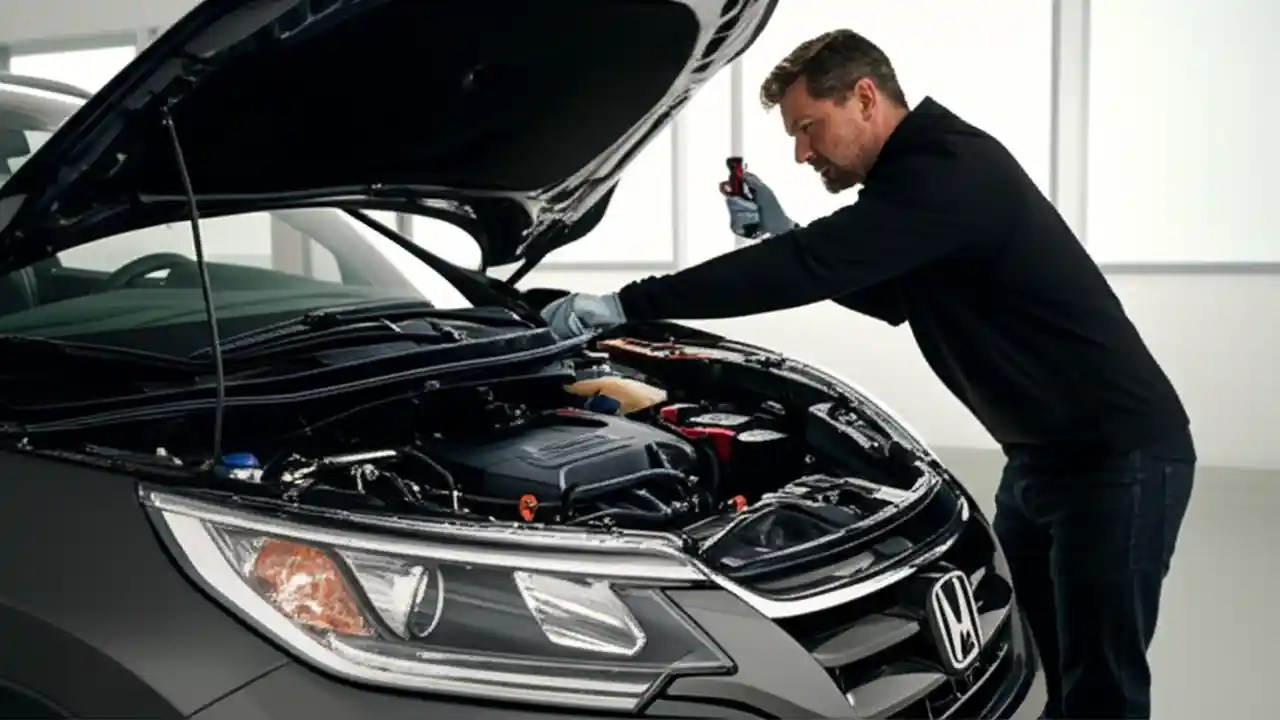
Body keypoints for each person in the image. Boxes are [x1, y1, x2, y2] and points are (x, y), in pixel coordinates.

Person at [539, 28, 1196, 719]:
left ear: (863, 97)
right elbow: (885, 290)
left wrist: (626, 304)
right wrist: (784, 232)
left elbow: (815, 266)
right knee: (1026, 660)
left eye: (807, 128)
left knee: (1101, 689)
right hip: (1040, 461)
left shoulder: (949, 170)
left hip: (1117, 458)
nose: (801, 152)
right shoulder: (921, 182)